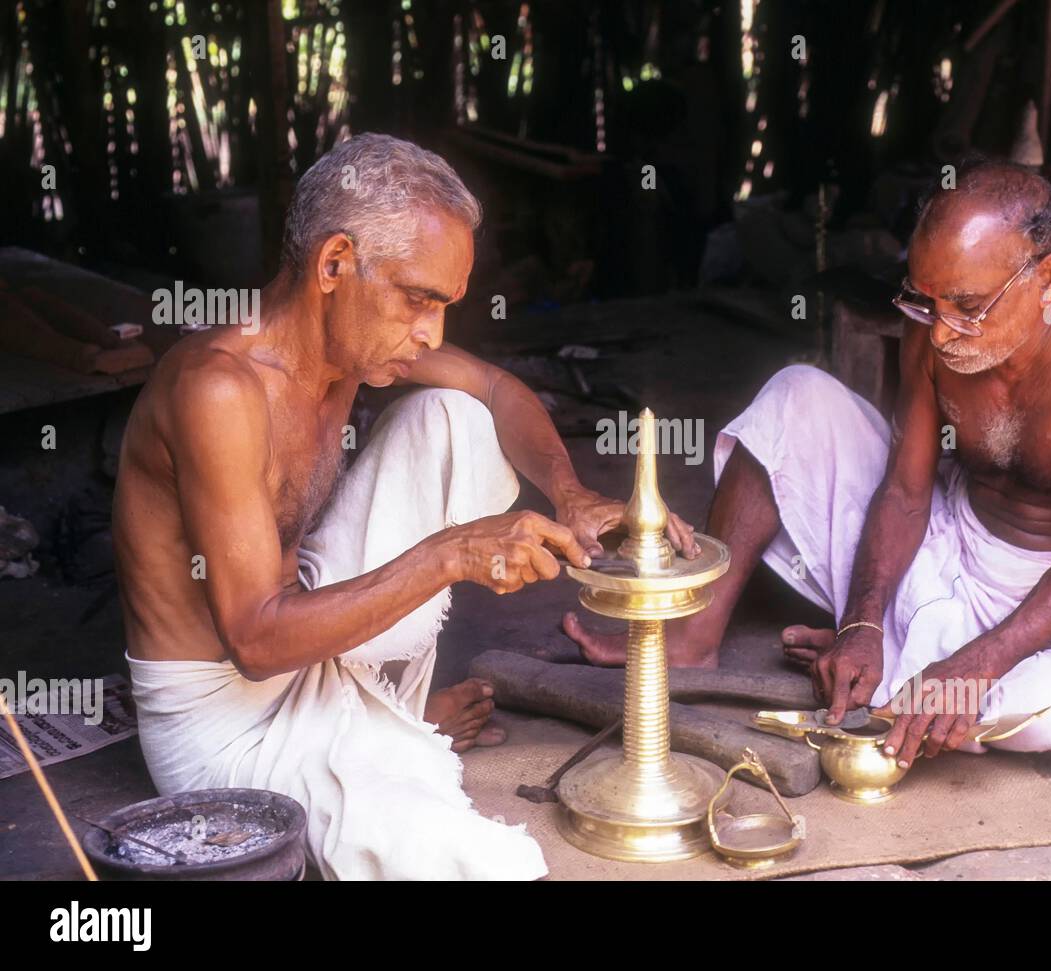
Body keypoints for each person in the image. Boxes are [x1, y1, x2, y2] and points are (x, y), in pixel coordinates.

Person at [112, 133, 696, 879]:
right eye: (418, 299)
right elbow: (254, 640)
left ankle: (383, 709)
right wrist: (453, 552)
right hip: (226, 723)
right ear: (334, 263)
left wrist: (570, 491)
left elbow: (495, 389)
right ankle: (381, 728)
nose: (432, 332)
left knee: (455, 417)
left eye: (443, 305)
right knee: (486, 863)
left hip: (307, 642)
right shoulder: (218, 389)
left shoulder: (355, 345)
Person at [564, 159, 1051, 770]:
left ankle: (922, 665)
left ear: (1048, 278)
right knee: (797, 396)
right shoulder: (934, 325)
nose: (940, 333)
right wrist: (863, 625)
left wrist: (977, 664)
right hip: (949, 547)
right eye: (926, 302)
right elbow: (905, 493)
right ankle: (700, 639)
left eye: (967, 306)